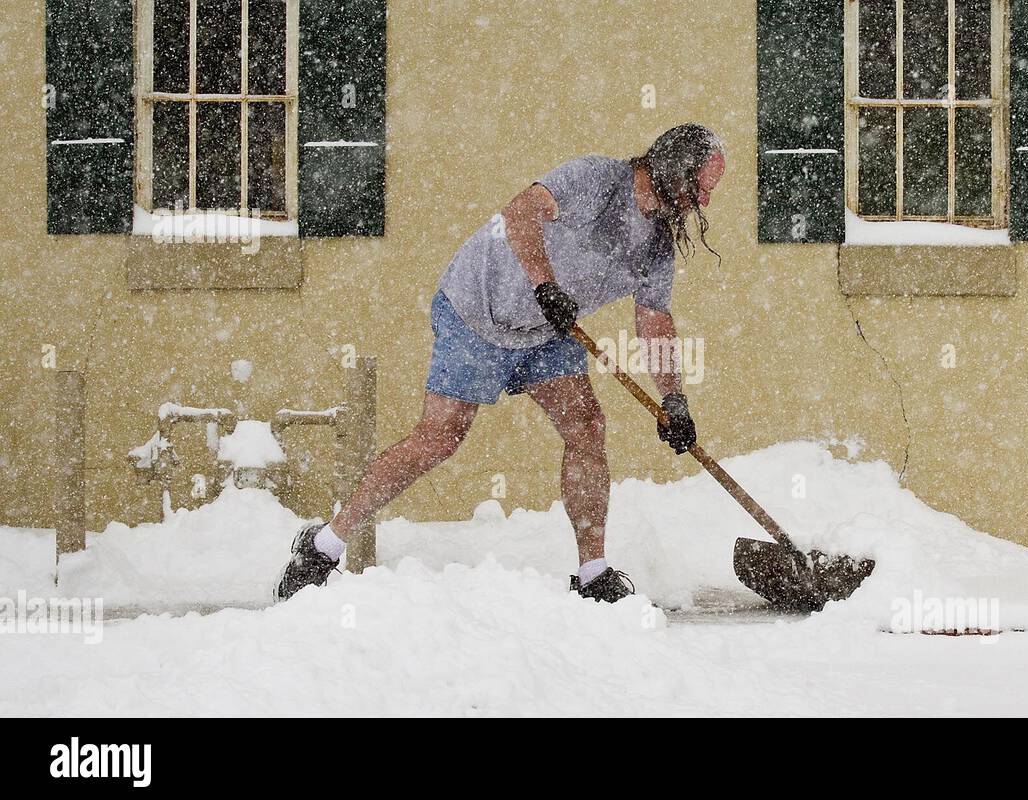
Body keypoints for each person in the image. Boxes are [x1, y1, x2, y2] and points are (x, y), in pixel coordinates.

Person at [275, 123, 726, 604]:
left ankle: (594, 574)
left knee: (587, 427)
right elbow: (521, 211)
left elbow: (654, 318)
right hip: (478, 310)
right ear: (675, 167)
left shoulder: (655, 244)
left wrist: (674, 399)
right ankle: (323, 546)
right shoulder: (597, 178)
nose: (705, 200)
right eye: (701, 186)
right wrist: (544, 284)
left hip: (549, 330)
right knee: (438, 439)